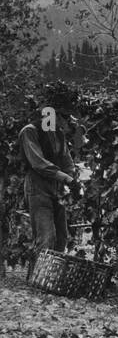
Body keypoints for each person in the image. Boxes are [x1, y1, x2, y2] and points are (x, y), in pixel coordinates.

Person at [18, 107, 78, 265]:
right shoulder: (29, 131)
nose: (66, 121)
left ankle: (51, 278)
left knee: (61, 236)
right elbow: (38, 163)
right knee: (46, 236)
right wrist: (66, 178)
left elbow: (66, 159)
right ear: (52, 115)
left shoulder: (58, 133)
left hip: (57, 188)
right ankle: (38, 280)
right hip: (38, 186)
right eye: (64, 117)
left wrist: (71, 179)